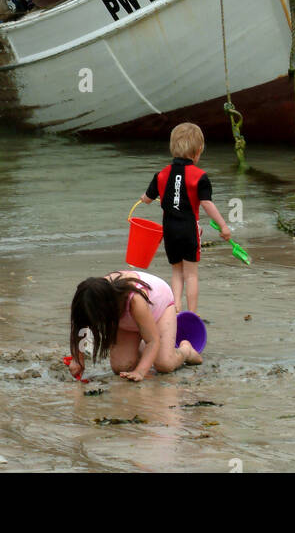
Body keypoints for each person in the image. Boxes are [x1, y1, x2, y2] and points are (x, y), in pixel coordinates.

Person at [140, 122, 232, 313]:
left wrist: (145, 197)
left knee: (176, 271)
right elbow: (207, 204)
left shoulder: (161, 175)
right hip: (189, 230)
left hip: (169, 230)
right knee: (191, 275)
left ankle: (175, 310)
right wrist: (223, 226)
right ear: (198, 151)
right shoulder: (200, 176)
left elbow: (147, 199)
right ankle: (191, 315)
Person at [67, 269, 202, 381]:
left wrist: (140, 372)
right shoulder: (90, 298)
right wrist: (77, 359)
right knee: (121, 367)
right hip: (129, 320)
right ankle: (144, 344)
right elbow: (81, 325)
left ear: (109, 307)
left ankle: (186, 350)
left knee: (164, 364)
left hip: (160, 309)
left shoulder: (135, 300)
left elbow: (153, 341)